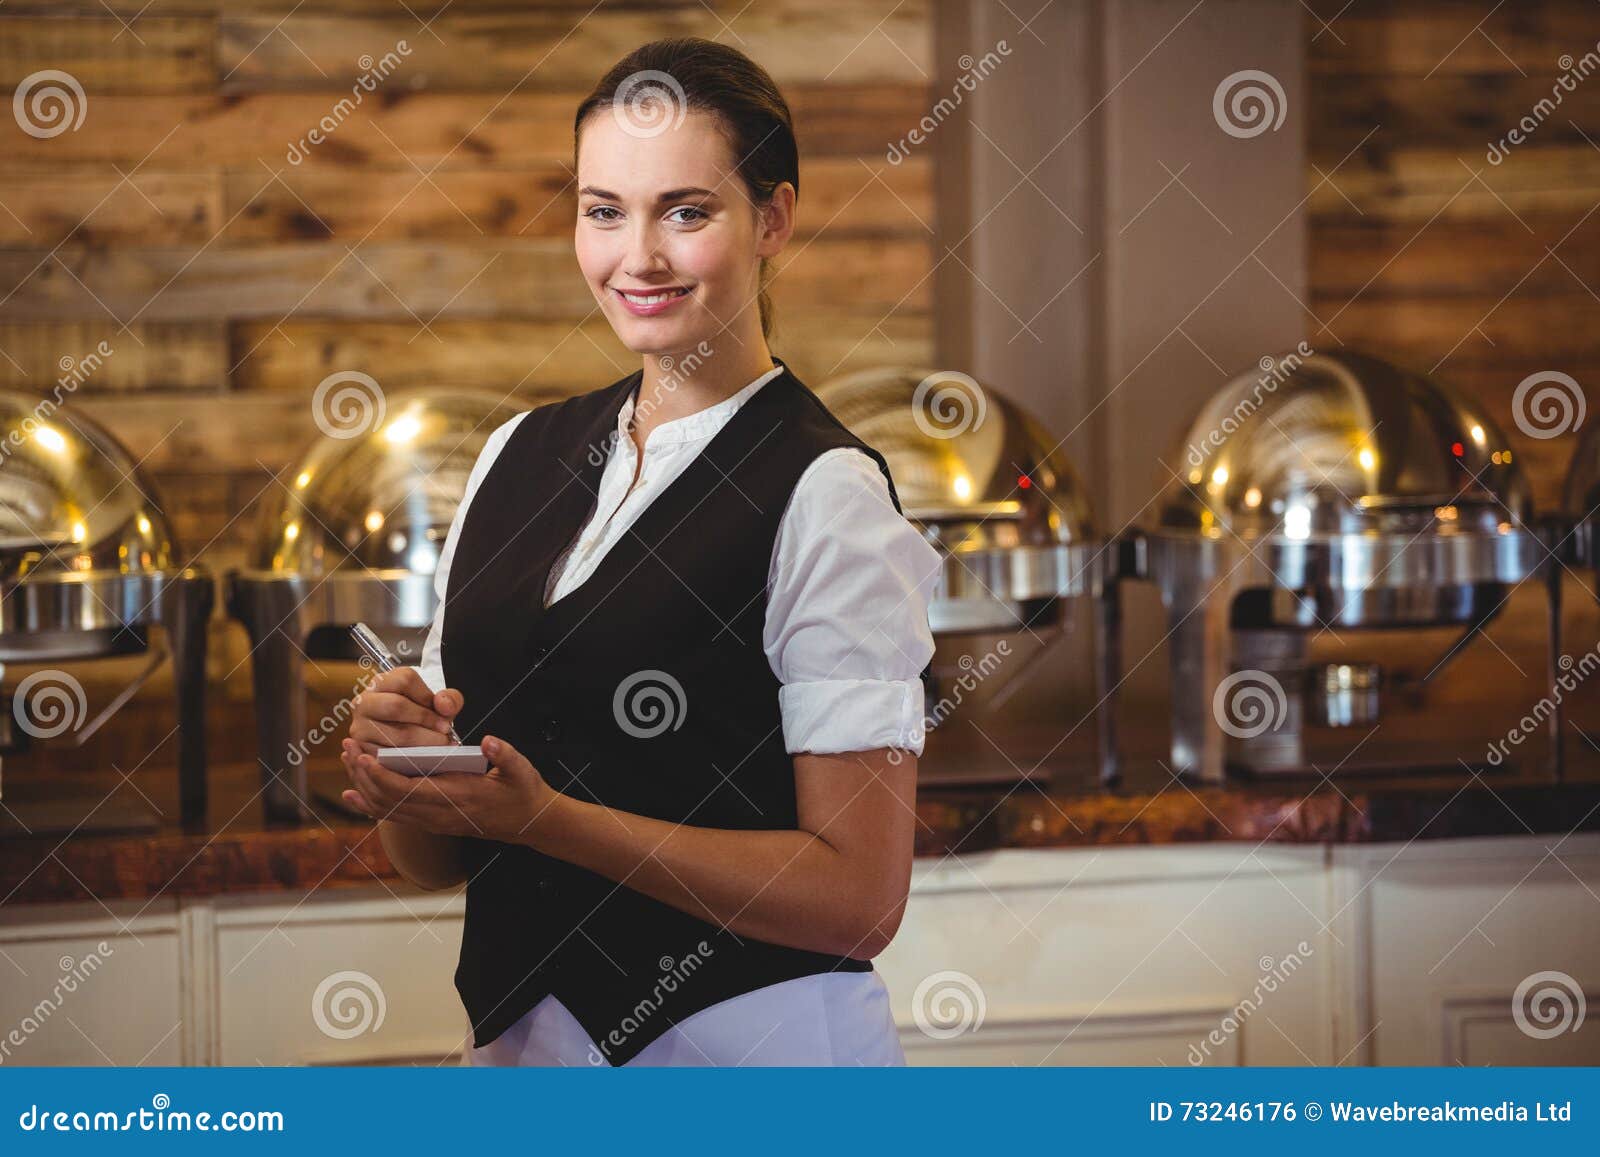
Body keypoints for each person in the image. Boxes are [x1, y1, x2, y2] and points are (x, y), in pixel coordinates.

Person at [339, 36, 941, 1067]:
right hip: (525, 1059)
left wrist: (550, 820)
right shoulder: (512, 455)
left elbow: (859, 900)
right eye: (603, 209)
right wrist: (403, 764)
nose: (638, 257)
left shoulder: (825, 490)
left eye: (687, 211)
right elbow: (432, 858)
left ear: (775, 220)